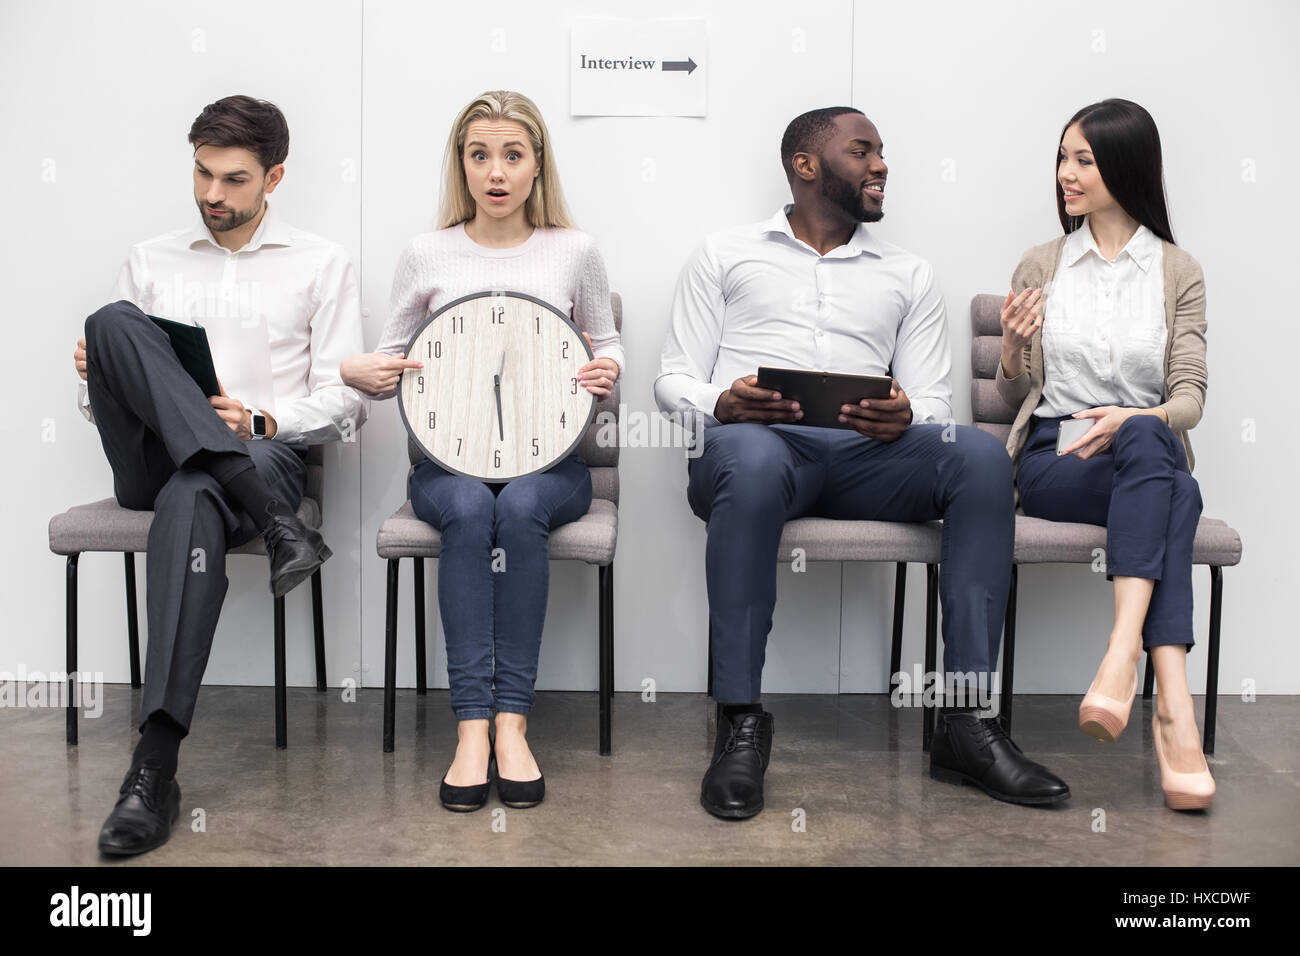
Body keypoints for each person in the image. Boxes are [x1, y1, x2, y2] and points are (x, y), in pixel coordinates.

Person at [655, 106, 1069, 820]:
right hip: (754, 448)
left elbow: (934, 401)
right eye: (863, 151)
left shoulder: (907, 272)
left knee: (974, 453)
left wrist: (908, 415)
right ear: (805, 165)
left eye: (882, 153)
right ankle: (740, 724)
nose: (881, 165)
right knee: (750, 459)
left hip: (867, 456)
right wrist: (723, 402)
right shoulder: (724, 254)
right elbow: (670, 379)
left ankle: (966, 724)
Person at [71, 95, 369, 855]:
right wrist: (98, 371)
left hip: (261, 455)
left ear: (275, 178)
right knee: (109, 324)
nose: (212, 194)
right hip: (152, 461)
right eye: (202, 174)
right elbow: (92, 405)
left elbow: (347, 404)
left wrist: (262, 422)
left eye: (234, 179)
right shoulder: (150, 258)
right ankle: (279, 532)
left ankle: (153, 765)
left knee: (196, 488)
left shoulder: (321, 263)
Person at [342, 90, 623, 812]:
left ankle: (512, 724)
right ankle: (471, 728)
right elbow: (391, 360)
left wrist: (607, 368)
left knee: (523, 503)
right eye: (479, 155)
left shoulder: (574, 250)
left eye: (511, 154)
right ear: (461, 165)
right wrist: (367, 374)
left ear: (536, 167)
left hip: (553, 468)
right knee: (468, 507)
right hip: (446, 466)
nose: (495, 172)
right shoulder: (426, 253)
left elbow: (607, 340)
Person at [997, 98, 1214, 810]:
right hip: (1058, 461)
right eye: (1063, 157)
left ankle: (1129, 665)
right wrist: (1012, 346)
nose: (1066, 173)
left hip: (1140, 456)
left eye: (1083, 159)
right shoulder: (1042, 261)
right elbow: (1015, 391)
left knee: (1153, 439)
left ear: (1126, 165)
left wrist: (1133, 418)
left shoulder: (1178, 270)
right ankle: (1165, 697)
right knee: (1177, 495)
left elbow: (1188, 398)